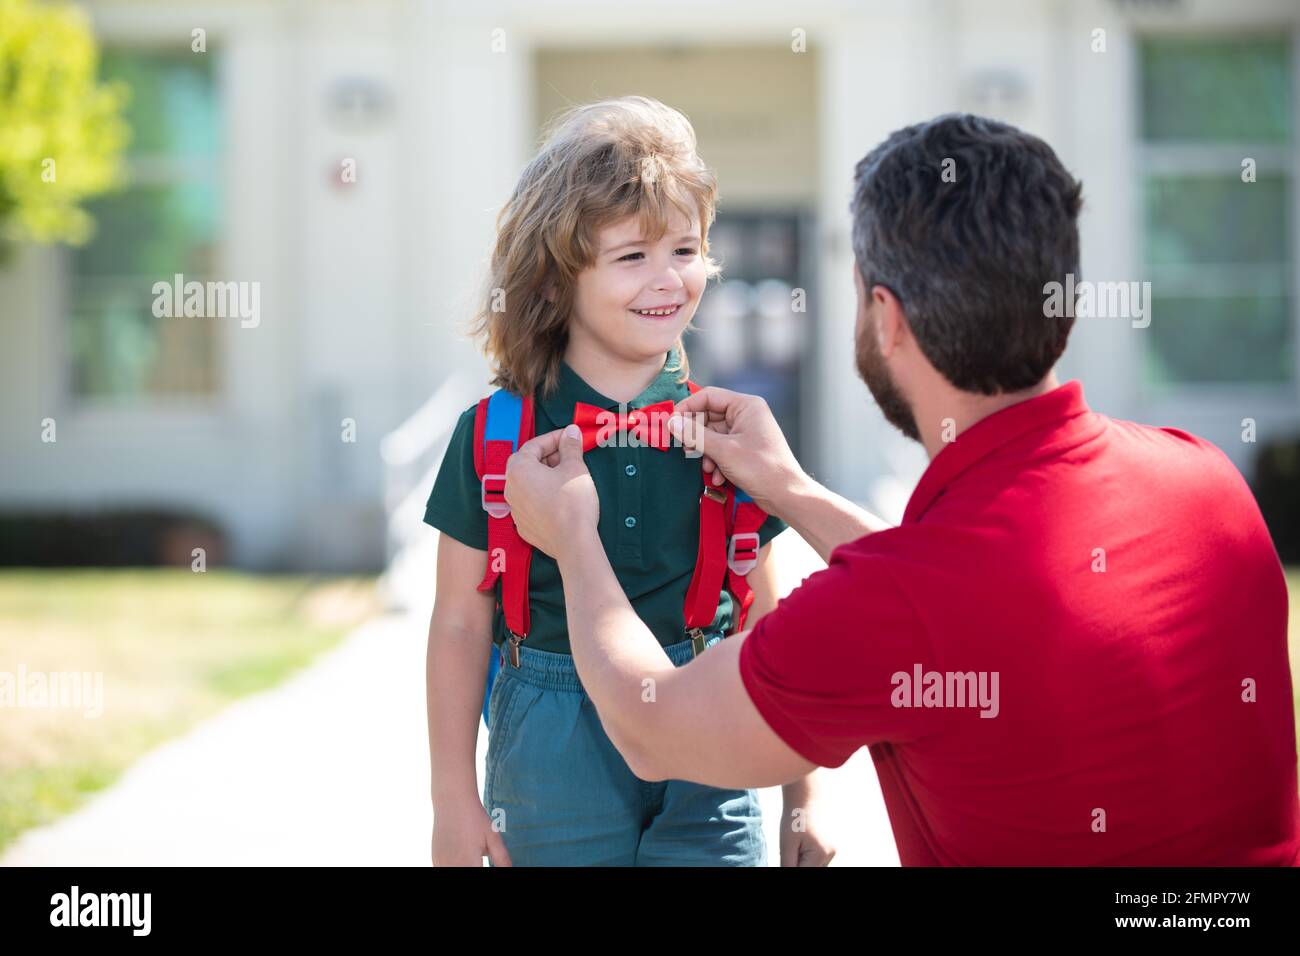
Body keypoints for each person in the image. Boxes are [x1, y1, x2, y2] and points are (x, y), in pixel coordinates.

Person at [502, 113, 1300, 866]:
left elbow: (651, 723)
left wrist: (573, 537)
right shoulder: (1209, 483)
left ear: (887, 318)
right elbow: (978, 603)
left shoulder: (897, 608)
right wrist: (788, 487)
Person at [424, 95, 832, 866]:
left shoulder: (730, 434)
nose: (667, 279)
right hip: (551, 745)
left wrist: (802, 798)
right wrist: (453, 800)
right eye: (631, 256)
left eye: (684, 249)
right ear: (555, 281)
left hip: (712, 723)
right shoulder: (493, 437)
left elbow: (763, 615)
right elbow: (456, 624)